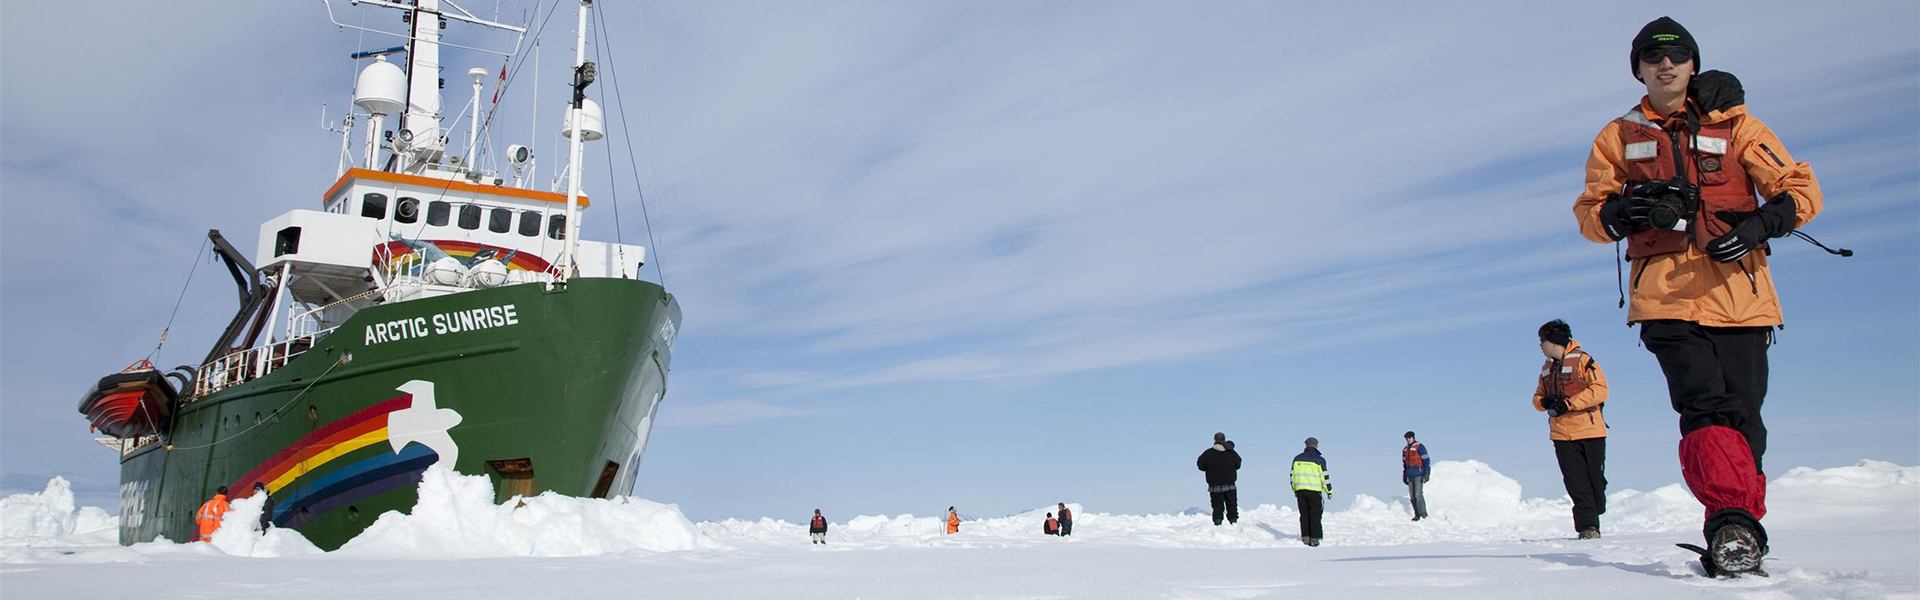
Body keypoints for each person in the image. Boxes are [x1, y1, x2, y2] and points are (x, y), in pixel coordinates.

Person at [1573, 16, 1822, 574]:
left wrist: (1759, 226)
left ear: (1693, 65)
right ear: (1637, 69)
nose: (1667, 65)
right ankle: (1728, 522)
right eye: (1654, 58)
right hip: (1664, 297)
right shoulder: (1617, 135)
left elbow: (1801, 192)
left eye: (1678, 56)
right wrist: (1621, 212)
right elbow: (1589, 216)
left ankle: (1742, 529)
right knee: (1703, 406)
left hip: (1742, 297)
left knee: (1744, 418)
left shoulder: (1737, 125)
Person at [1289, 438, 1331, 547]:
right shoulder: (1319, 460)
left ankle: (1305, 537)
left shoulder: (1297, 459)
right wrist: (1329, 491)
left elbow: (1292, 476)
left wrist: (1294, 489)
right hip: (1315, 491)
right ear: (1316, 446)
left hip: (1301, 491)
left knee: (1304, 514)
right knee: (1315, 514)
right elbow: (1324, 477)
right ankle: (1315, 538)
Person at [1196, 432, 1242, 526]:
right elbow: (1238, 464)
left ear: (1214, 440)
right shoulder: (1231, 452)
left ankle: (1218, 522)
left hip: (1214, 485)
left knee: (1217, 506)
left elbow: (1200, 465)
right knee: (1232, 504)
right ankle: (1233, 522)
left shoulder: (1208, 453)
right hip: (1230, 484)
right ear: (1224, 440)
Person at [1402, 431, 1431, 522]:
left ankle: (1423, 514)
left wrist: (1427, 473)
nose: (1408, 439)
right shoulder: (1405, 450)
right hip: (1410, 475)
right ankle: (1417, 515)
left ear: (1413, 437)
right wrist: (1404, 475)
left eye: (1410, 437)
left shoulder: (1420, 446)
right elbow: (1404, 464)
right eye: (1407, 438)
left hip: (1419, 474)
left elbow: (1426, 460)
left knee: (1418, 495)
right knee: (1412, 496)